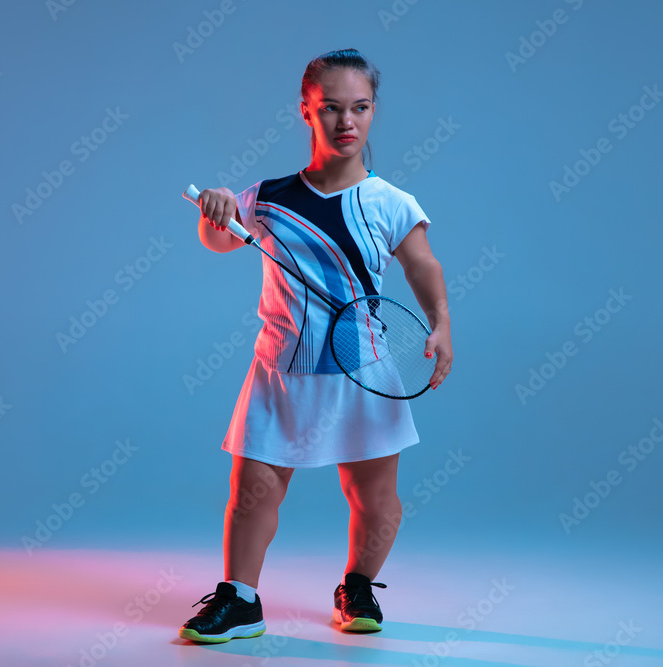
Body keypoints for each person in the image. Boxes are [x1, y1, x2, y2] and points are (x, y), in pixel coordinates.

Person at [179, 48, 453, 644]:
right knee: (253, 494)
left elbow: (423, 264)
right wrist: (216, 211)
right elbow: (218, 240)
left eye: (359, 108)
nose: (345, 122)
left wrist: (441, 323)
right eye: (330, 108)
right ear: (306, 111)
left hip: (366, 372)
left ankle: (357, 586)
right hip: (282, 371)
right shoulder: (269, 197)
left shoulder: (391, 202)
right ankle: (241, 600)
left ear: (373, 111)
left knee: (375, 498)